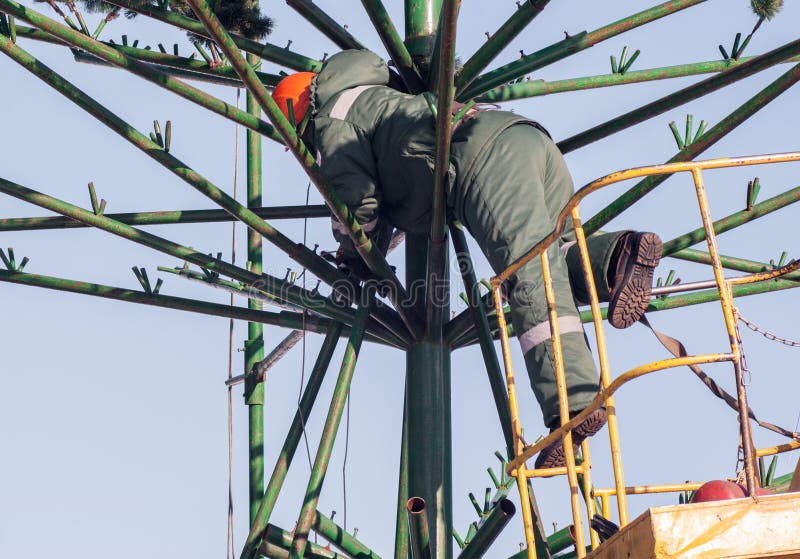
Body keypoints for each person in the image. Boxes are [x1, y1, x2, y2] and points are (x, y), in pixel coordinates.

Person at [271, 50, 662, 468]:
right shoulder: (373, 95)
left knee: (528, 274)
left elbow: (356, 202)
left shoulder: (330, 119)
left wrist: (354, 256)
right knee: (559, 250)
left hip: (483, 161)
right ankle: (618, 257)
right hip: (524, 138)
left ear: (296, 121)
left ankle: (573, 404)